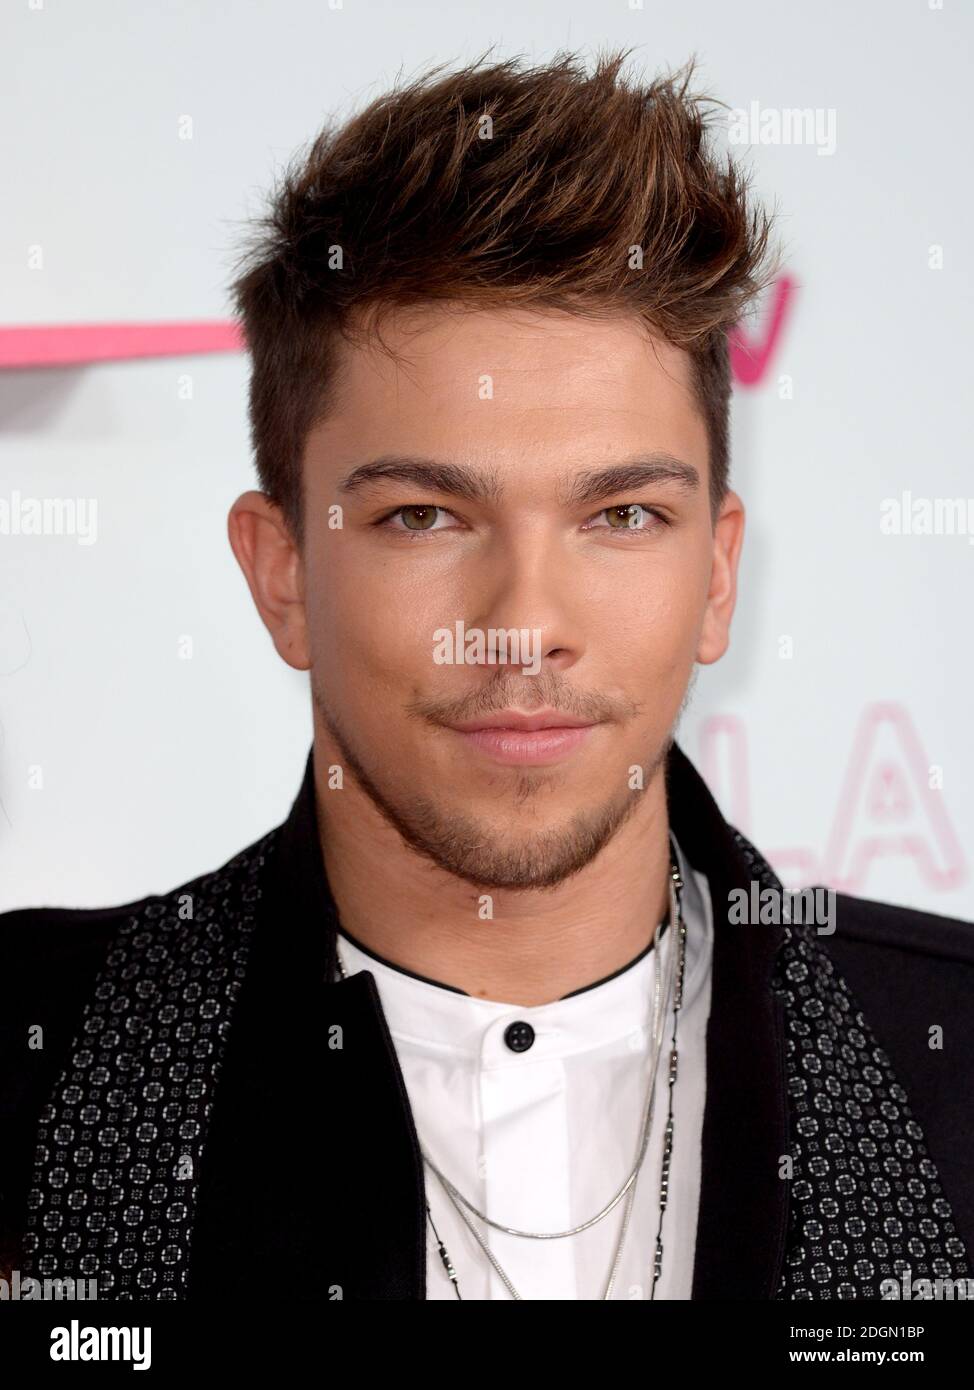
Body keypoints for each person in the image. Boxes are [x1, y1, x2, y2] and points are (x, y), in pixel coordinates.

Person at [2, 49, 972, 1302]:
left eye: (619, 515)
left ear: (717, 574)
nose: (522, 626)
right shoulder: (43, 1076)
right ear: (282, 570)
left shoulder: (942, 1070)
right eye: (423, 517)